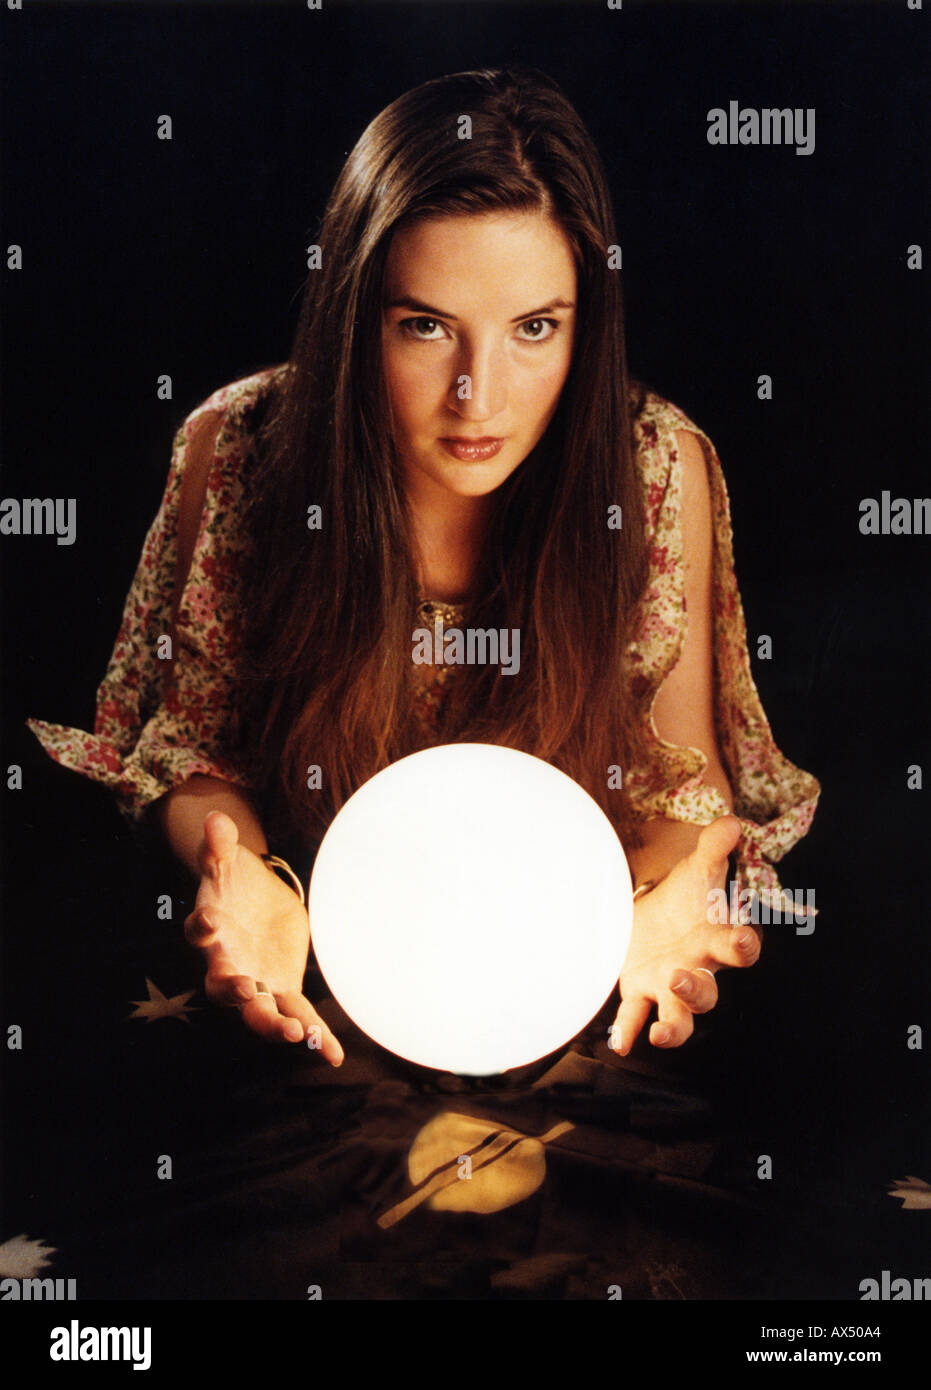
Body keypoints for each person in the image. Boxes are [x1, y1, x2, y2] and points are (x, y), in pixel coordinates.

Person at [27, 67, 819, 1074]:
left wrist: (658, 906)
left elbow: (682, 784)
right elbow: (196, 745)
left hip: (545, 966)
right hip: (341, 964)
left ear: (585, 321)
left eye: (535, 328)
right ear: (356, 314)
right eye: (426, 325)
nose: (476, 394)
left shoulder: (655, 466)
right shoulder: (240, 449)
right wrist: (245, 869)